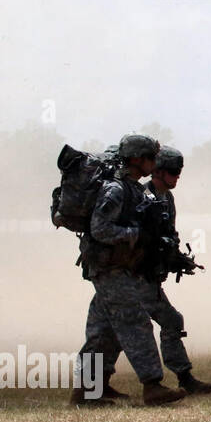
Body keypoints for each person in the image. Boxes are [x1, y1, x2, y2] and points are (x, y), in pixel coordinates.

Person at [71, 133, 185, 406]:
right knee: (135, 322)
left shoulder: (132, 188)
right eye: (150, 158)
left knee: (103, 333)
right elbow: (100, 229)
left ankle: (87, 392)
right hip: (109, 268)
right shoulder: (116, 189)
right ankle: (153, 386)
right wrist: (135, 234)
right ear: (136, 159)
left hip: (119, 267)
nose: (154, 163)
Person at [96, 146, 211, 396]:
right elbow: (127, 234)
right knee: (149, 323)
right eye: (172, 171)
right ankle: (174, 379)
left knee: (110, 331)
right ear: (158, 172)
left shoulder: (165, 198)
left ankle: (96, 385)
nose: (177, 177)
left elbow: (165, 235)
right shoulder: (141, 195)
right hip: (132, 274)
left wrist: (176, 258)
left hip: (145, 274)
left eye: (179, 172)